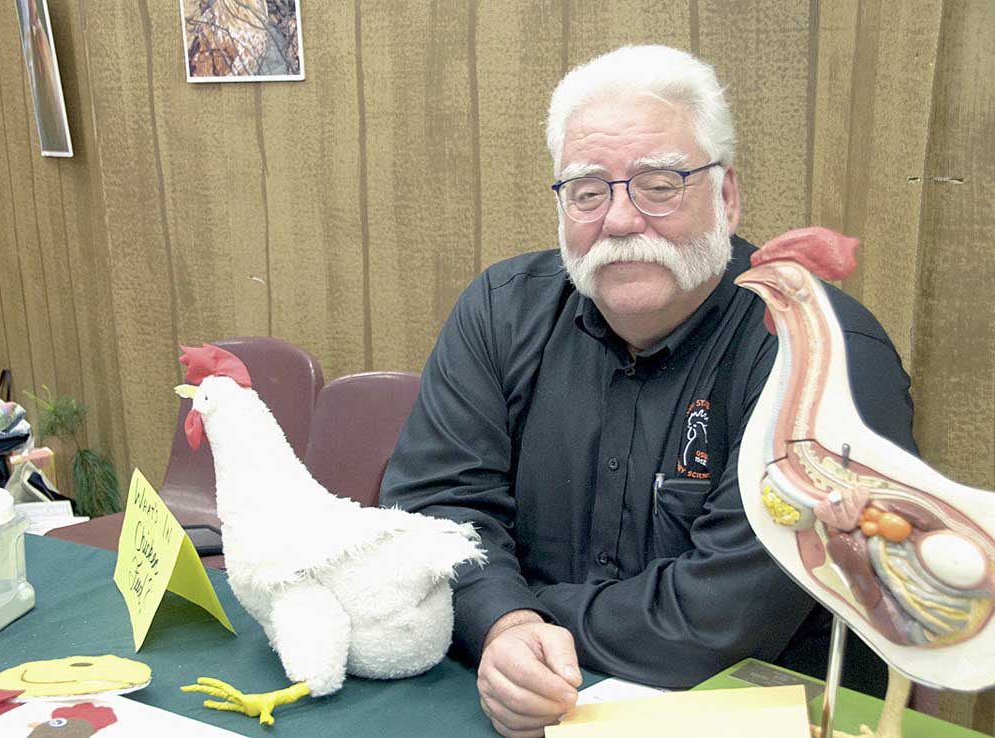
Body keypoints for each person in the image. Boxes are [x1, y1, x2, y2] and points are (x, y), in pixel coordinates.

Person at [380, 45, 916, 738]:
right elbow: (437, 505)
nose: (622, 220)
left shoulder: (820, 351)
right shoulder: (500, 311)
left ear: (726, 196)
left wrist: (521, 613)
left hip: (743, 713)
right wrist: (506, 622)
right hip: (518, 703)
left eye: (660, 183)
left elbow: (715, 621)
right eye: (588, 190)